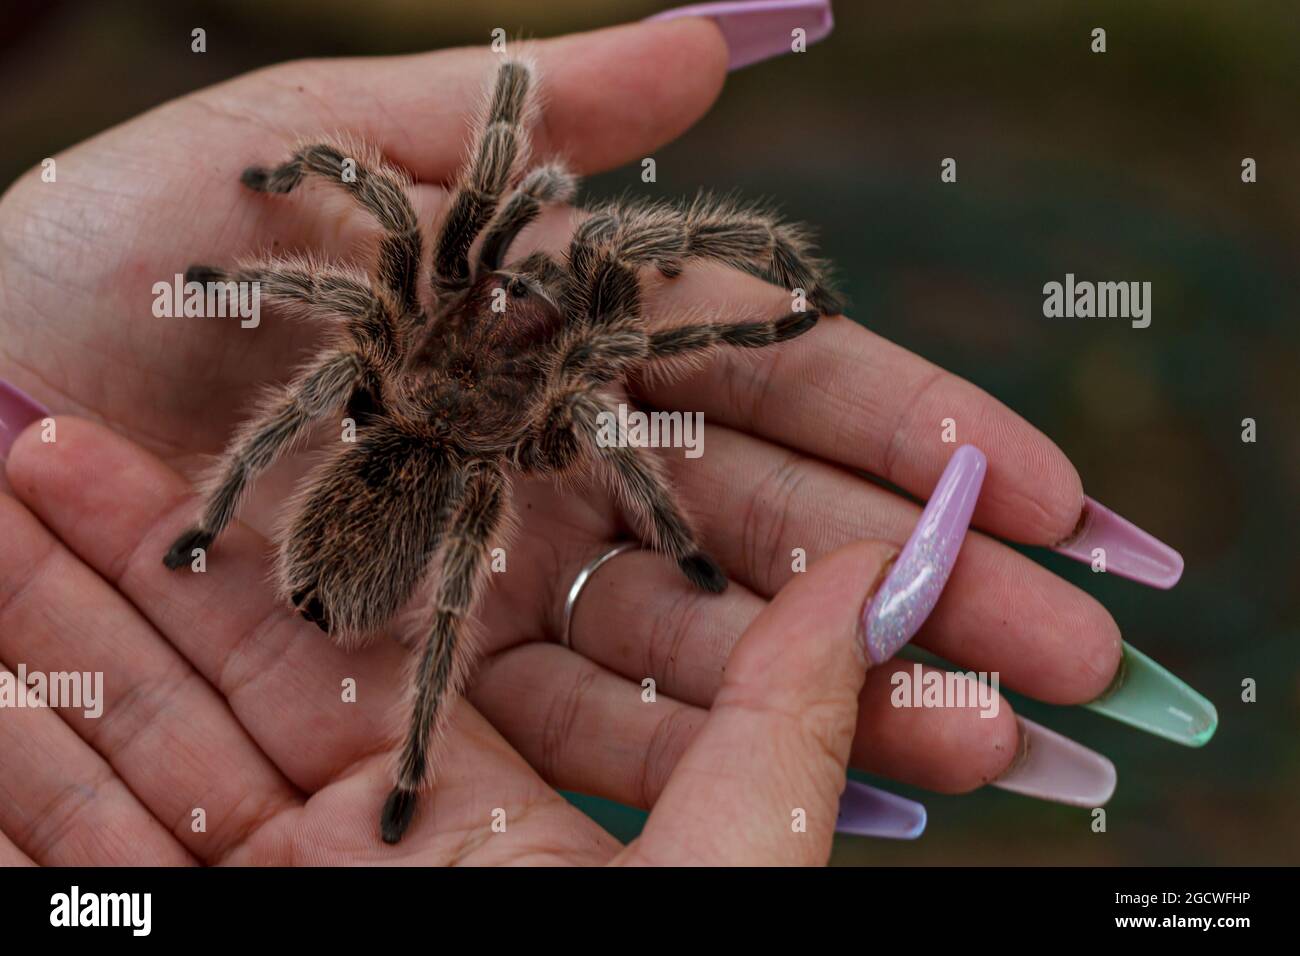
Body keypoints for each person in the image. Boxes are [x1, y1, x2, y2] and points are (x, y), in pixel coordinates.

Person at [0, 18, 1154, 864]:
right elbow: (426, 227)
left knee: (385, 365)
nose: (533, 278)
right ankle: (382, 726)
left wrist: (753, 323)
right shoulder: (550, 358)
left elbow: (584, 341)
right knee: (416, 385)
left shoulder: (528, 362)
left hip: (415, 440)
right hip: (426, 450)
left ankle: (248, 563)